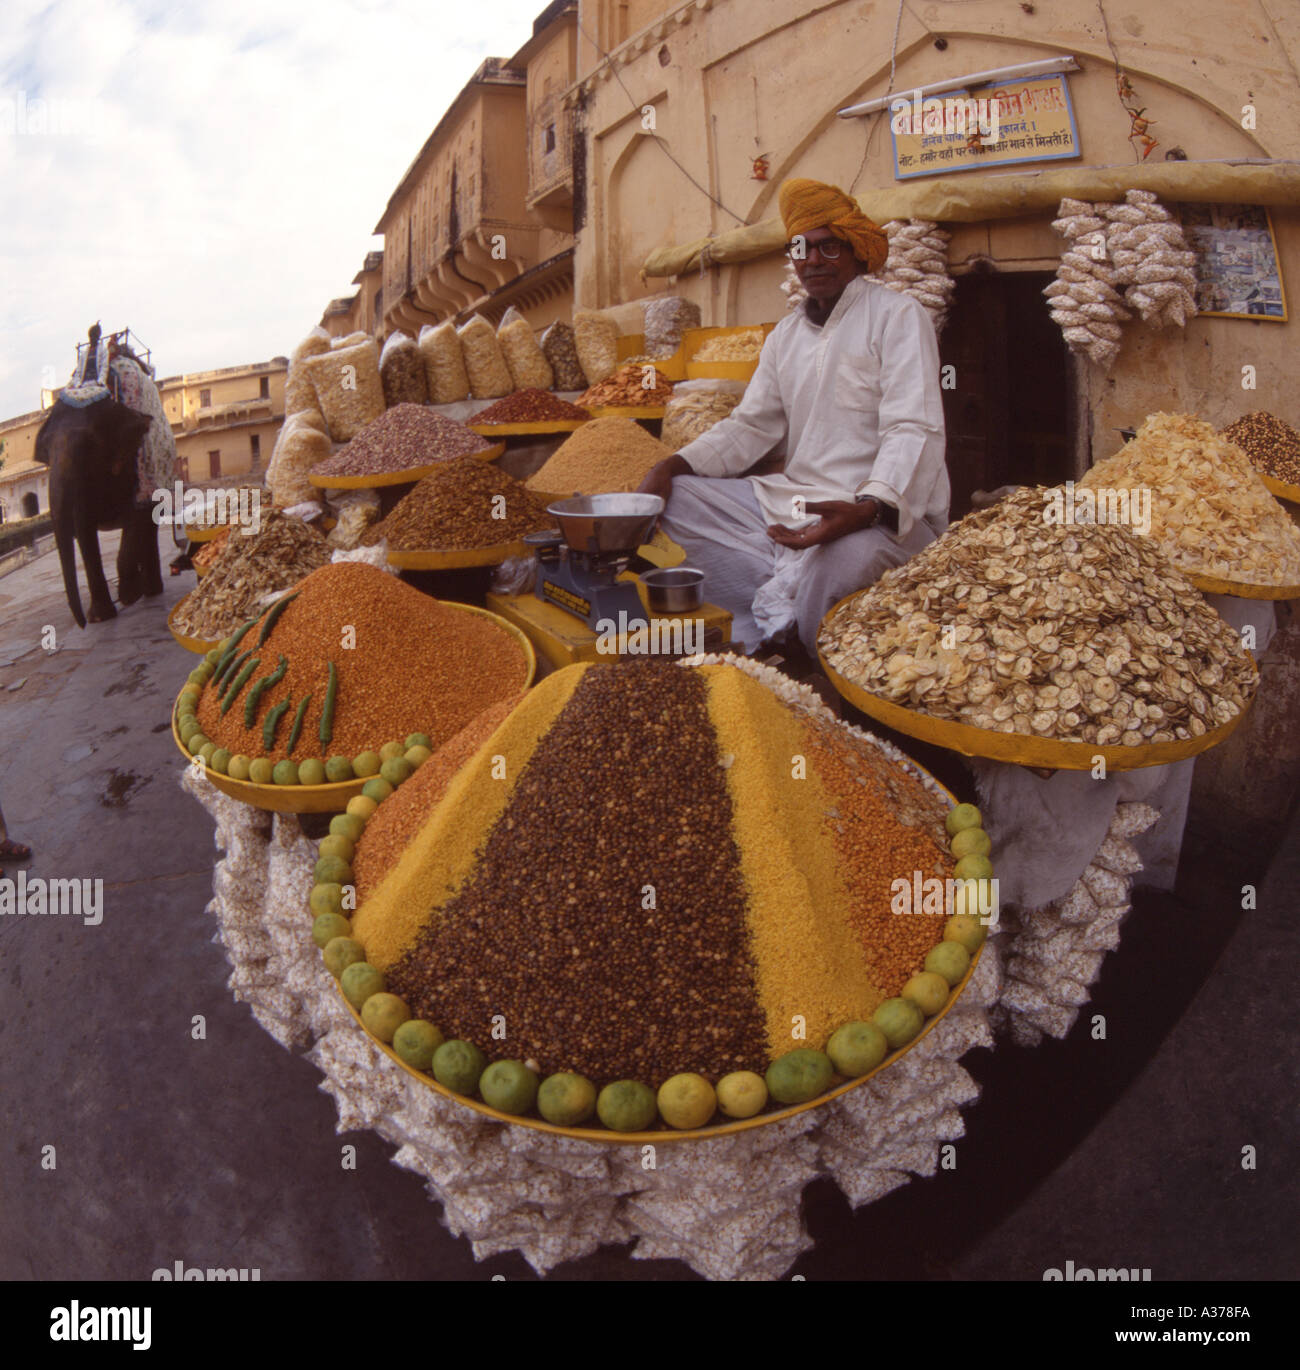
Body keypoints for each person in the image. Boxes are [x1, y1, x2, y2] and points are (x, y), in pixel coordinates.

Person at [637, 177, 949, 658]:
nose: (812, 261)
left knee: (843, 562)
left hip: (882, 511)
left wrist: (868, 507)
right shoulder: (786, 334)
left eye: (827, 248)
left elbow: (914, 427)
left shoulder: (897, 316)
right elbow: (751, 424)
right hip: (798, 497)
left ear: (854, 251)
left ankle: (801, 650)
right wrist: (670, 466)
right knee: (673, 504)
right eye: (801, 249)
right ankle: (765, 612)